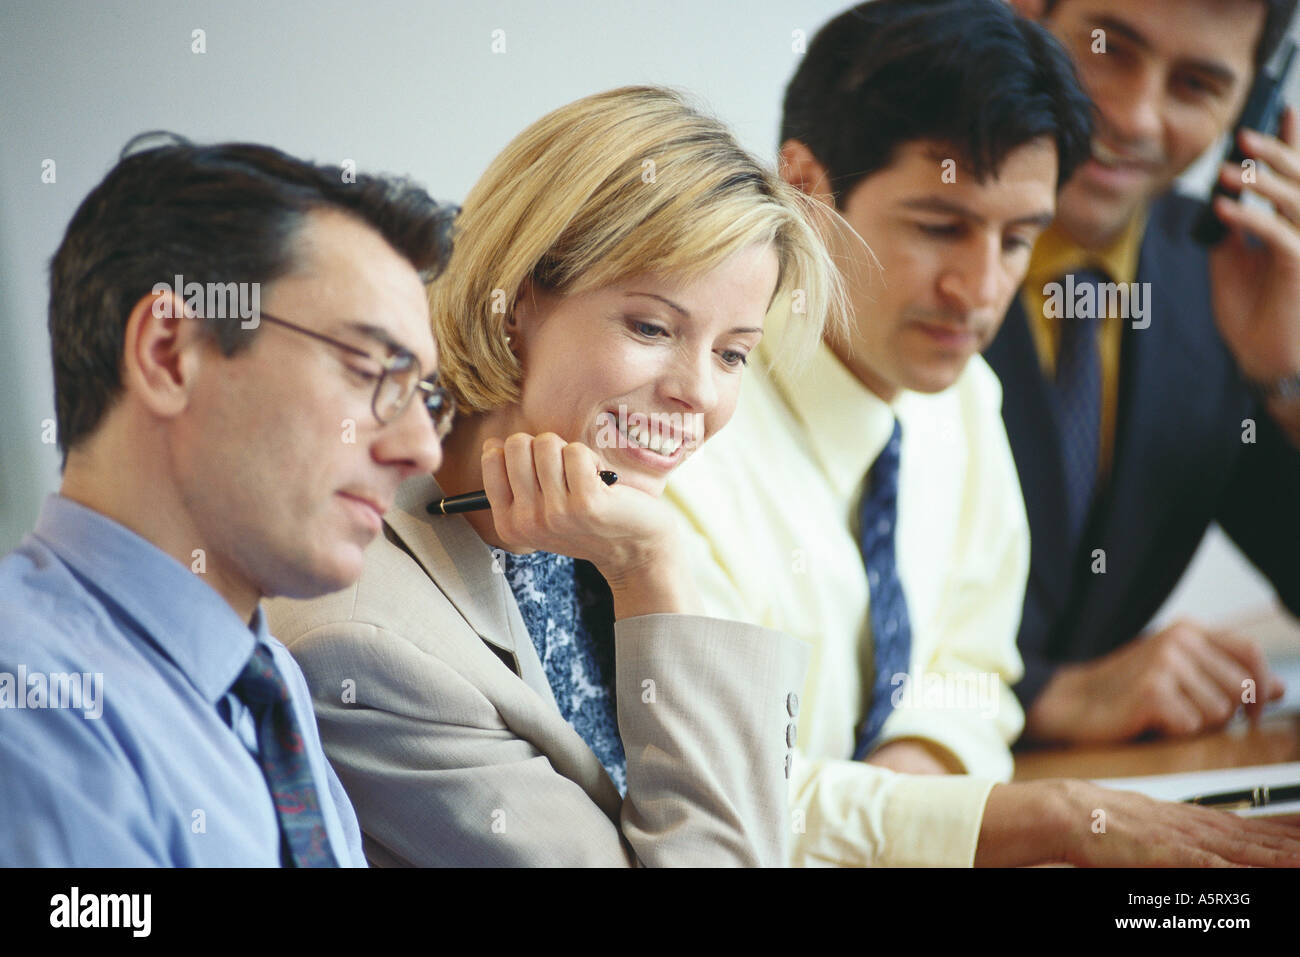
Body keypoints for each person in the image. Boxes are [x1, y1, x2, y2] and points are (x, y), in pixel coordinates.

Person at [667, 0, 1300, 867]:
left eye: (1017, 239)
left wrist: (915, 778)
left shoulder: (958, 401)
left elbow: (971, 675)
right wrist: (1049, 818)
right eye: (940, 227)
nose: (980, 291)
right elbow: (721, 796)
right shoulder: (681, 424)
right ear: (805, 187)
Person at [265, 85, 844, 866]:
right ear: (515, 303)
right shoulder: (367, 646)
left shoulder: (600, 500)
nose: (700, 392)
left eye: (732, 352)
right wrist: (652, 571)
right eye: (651, 326)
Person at [0, 133, 455, 866]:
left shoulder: (265, 680)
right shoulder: (31, 705)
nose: (420, 449)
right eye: (371, 368)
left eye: (423, 397)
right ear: (168, 353)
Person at [988, 0, 1300, 744]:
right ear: (1024, 14)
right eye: (1110, 49)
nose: (1134, 117)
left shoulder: (1225, 281)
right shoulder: (883, 244)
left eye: (1195, 85)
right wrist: (1047, 696)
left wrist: (1287, 381)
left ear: (1251, 109)